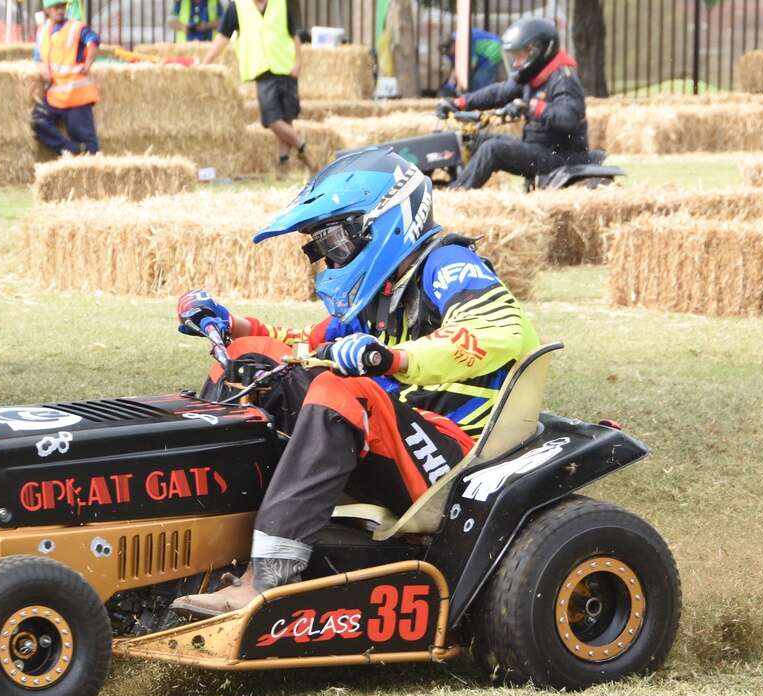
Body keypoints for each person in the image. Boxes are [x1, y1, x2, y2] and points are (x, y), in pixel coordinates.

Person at [168, 148, 540, 615]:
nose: (329, 257)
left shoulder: (447, 264)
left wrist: (394, 359)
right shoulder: (377, 294)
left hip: (455, 458)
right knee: (251, 359)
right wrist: (232, 325)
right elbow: (304, 347)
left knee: (340, 391)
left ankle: (267, 579)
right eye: (320, 248)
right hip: (393, 440)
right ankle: (201, 539)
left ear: (383, 223)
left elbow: (502, 331)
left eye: (336, 242)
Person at [437, 16, 588, 190]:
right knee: (471, 139)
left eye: (519, 57)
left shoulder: (563, 79)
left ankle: (456, 193)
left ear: (538, 52)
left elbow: (569, 118)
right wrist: (460, 102)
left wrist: (533, 108)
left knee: (492, 149)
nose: (515, 63)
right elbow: (499, 93)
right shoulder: (534, 76)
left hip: (561, 156)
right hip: (538, 147)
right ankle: (451, 182)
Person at [204, 0, 307, 170]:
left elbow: (294, 35)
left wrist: (298, 63)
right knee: (271, 119)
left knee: (287, 119)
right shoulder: (237, 6)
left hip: (286, 67)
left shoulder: (280, 1)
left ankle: (283, 165)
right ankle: (302, 145)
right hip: (261, 70)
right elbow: (223, 37)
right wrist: (206, 62)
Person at [30, 0, 100, 156]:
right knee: (37, 121)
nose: (61, 10)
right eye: (57, 7)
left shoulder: (76, 27)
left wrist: (88, 63)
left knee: (87, 141)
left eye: (63, 6)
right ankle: (70, 149)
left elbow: (93, 41)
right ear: (47, 10)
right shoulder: (42, 32)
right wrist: (43, 71)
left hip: (76, 96)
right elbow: (38, 57)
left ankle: (87, 156)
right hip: (55, 95)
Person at [438, 25, 505, 96]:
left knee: (479, 83)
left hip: (492, 51)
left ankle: (482, 100)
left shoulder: (466, 41)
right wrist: (450, 85)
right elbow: (455, 66)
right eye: (446, 54)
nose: (449, 55)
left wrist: (460, 84)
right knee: (473, 83)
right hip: (479, 55)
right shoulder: (451, 49)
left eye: (450, 52)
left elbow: (472, 65)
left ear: (453, 44)